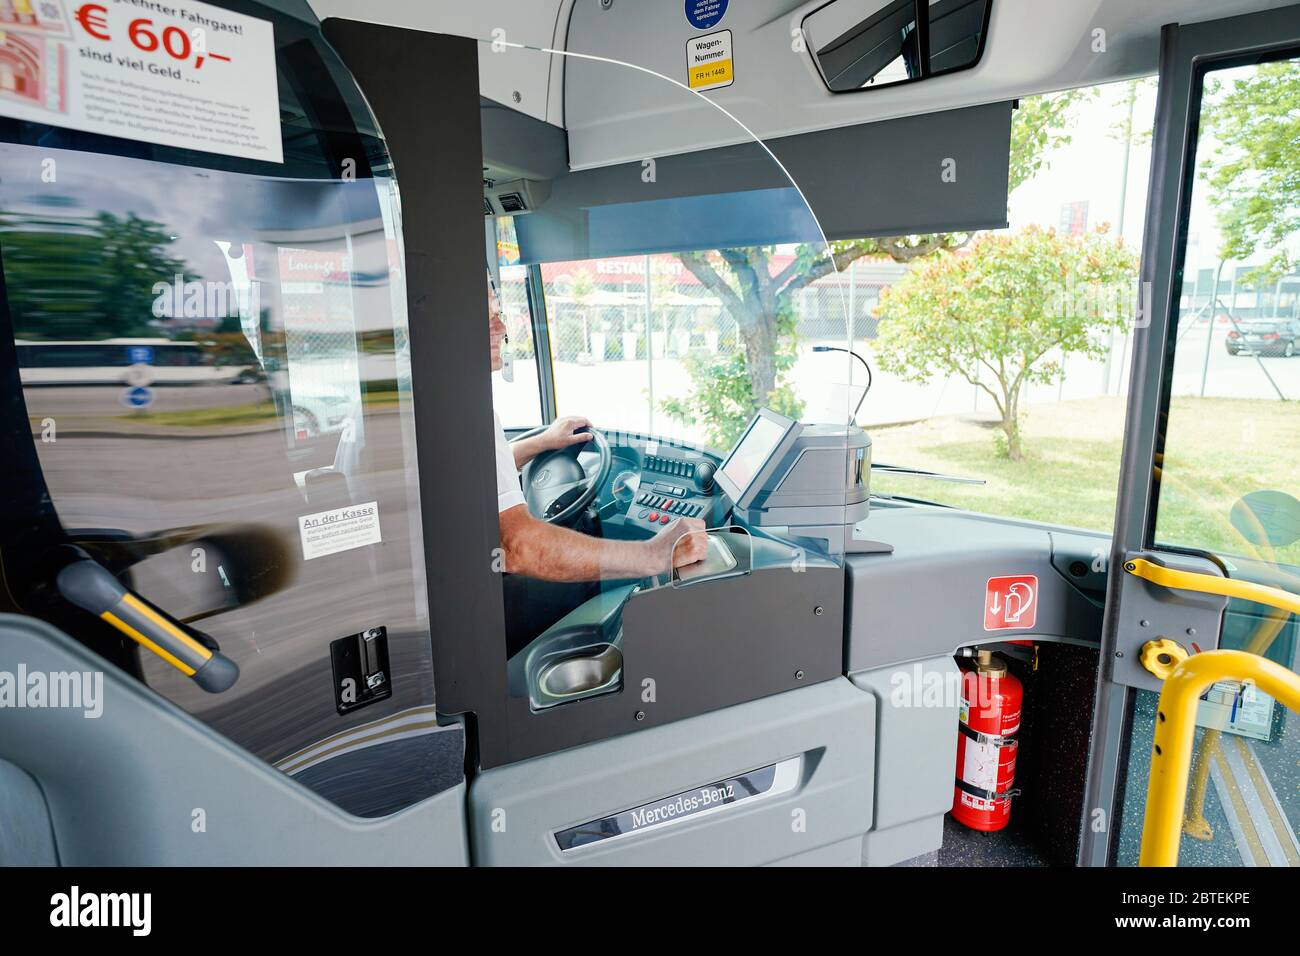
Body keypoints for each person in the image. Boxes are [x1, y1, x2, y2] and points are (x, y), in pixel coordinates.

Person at [488, 282, 708, 581]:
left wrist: (542, 443)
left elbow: (484, 477)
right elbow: (519, 548)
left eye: (498, 313)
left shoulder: (451, 412)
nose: (501, 327)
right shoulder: (468, 415)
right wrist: (655, 554)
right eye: (486, 317)